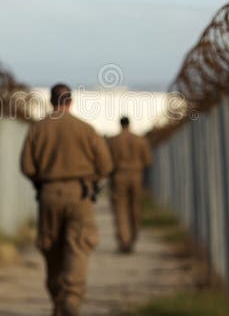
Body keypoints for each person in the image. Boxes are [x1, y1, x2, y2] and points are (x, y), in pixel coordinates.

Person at [20, 83, 113, 316]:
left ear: (51, 102)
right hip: (80, 194)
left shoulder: (37, 130)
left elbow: (27, 166)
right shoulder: (86, 129)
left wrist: (43, 180)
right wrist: (92, 181)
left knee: (51, 246)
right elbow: (106, 165)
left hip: (49, 194)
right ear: (71, 102)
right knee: (78, 245)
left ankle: (57, 297)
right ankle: (71, 296)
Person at [107, 116, 153, 253]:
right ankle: (133, 238)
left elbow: (107, 162)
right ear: (130, 124)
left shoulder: (114, 141)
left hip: (119, 176)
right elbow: (148, 161)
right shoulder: (140, 140)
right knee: (135, 207)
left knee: (120, 209)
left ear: (120, 125)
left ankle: (124, 239)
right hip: (136, 176)